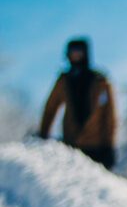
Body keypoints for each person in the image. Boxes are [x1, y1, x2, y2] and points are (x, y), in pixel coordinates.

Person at [37, 38, 117, 169]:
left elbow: (109, 116)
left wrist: (109, 145)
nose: (75, 55)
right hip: (71, 146)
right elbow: (50, 109)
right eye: (72, 52)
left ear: (85, 53)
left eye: (78, 52)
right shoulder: (63, 81)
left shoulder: (100, 81)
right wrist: (43, 133)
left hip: (97, 147)